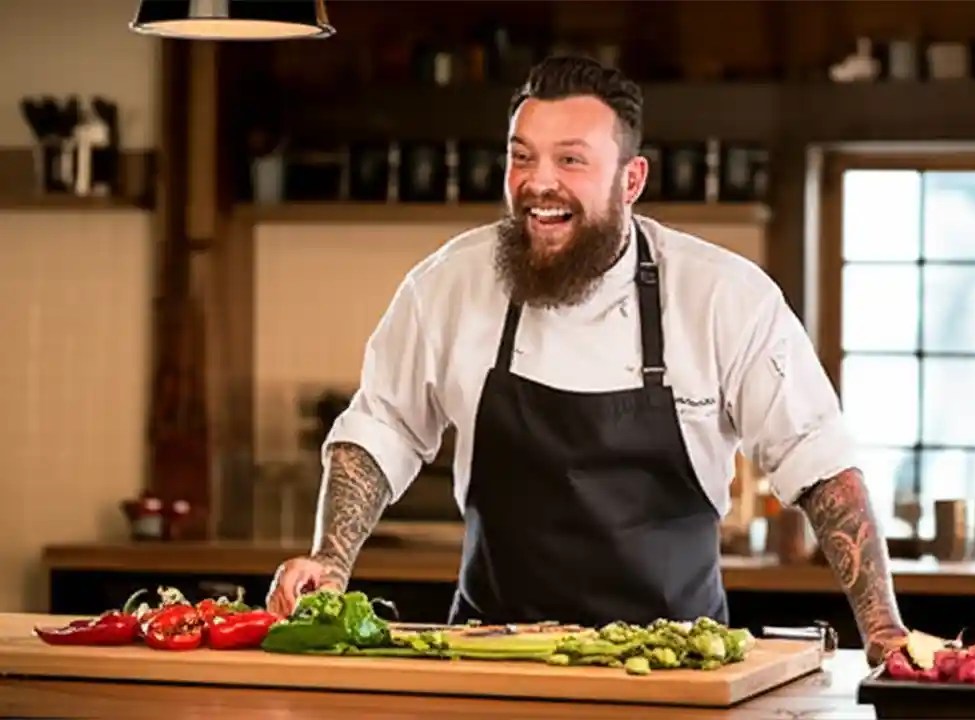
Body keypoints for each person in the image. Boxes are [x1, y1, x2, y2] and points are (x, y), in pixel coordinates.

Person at [266, 55, 908, 664]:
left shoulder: (721, 297)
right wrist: (331, 559)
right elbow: (381, 428)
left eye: (570, 160)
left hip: (674, 670)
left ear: (632, 180)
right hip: (492, 664)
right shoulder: (450, 284)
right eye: (522, 158)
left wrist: (882, 629)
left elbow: (822, 464)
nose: (538, 183)